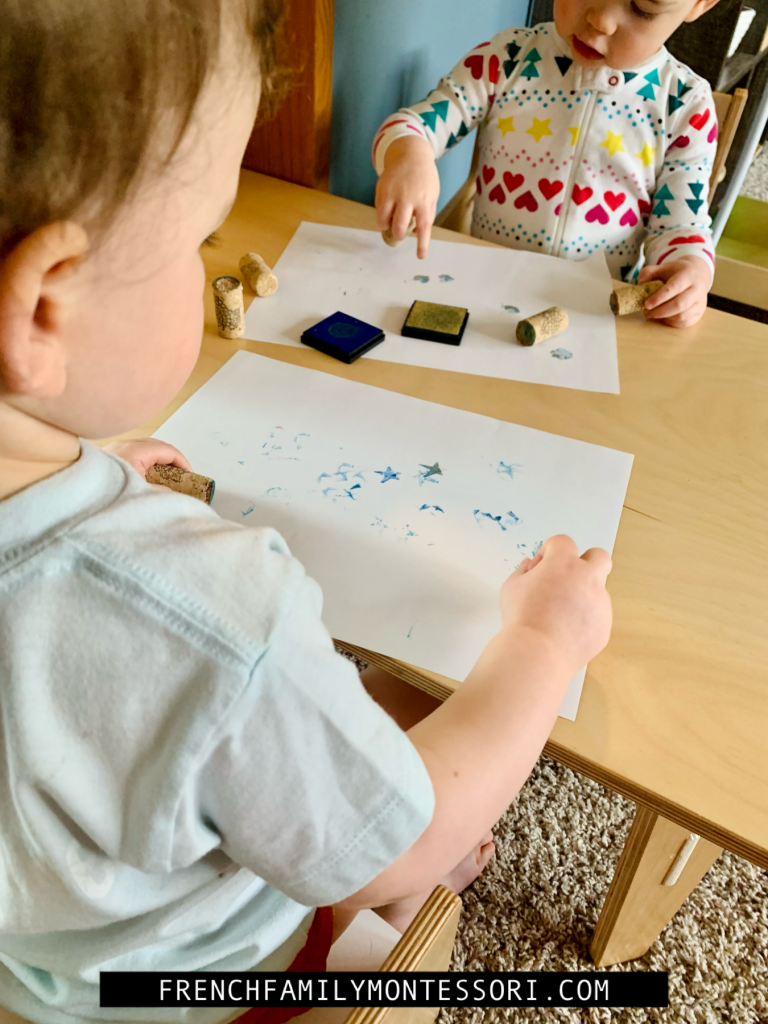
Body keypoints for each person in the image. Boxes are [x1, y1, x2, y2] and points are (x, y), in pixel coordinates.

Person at [0, 1, 612, 1022]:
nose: (211, 258)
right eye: (203, 235)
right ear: (45, 303)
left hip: (41, 950)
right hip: (206, 984)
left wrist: (86, 465)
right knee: (417, 793)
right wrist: (548, 639)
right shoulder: (223, 614)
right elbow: (395, 847)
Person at [374, 0, 722, 328]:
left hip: (598, 317)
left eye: (644, 6)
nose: (600, 18)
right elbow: (414, 125)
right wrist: (409, 155)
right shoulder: (507, 57)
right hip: (482, 296)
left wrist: (691, 268)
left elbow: (680, 226)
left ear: (701, 4)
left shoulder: (687, 107)